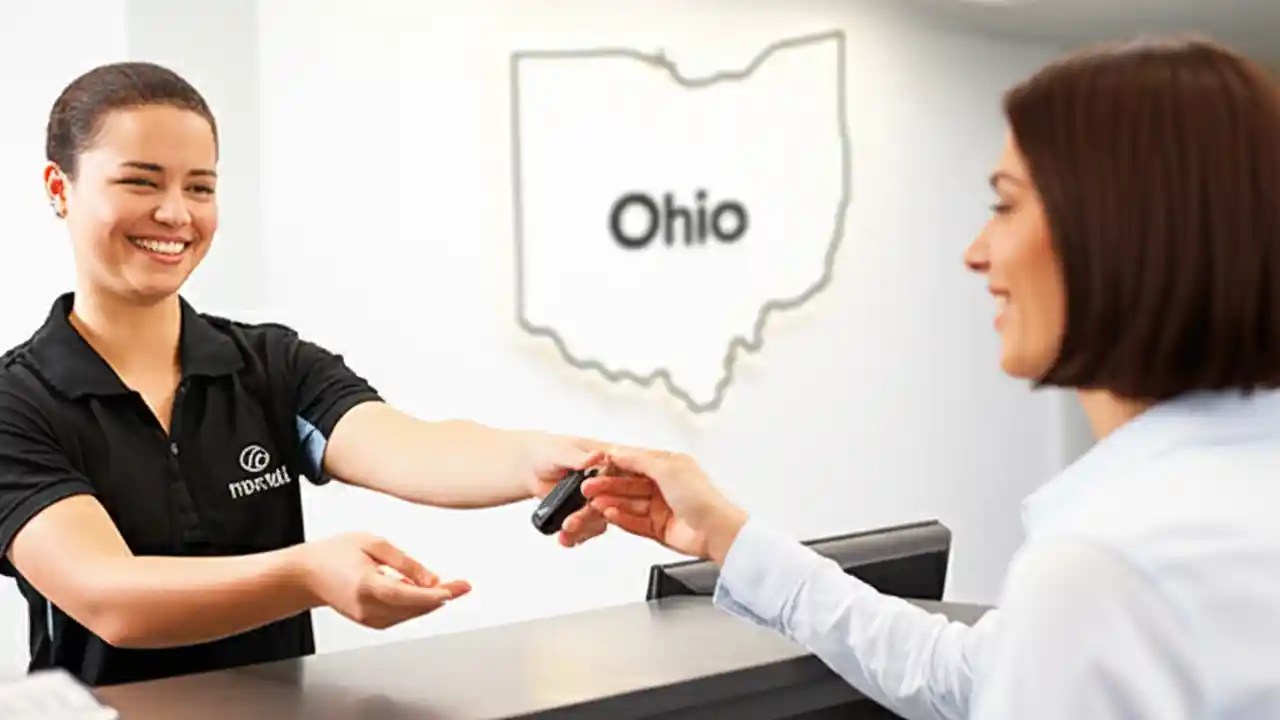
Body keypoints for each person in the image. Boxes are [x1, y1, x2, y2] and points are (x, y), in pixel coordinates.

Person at [583, 35, 1280, 719]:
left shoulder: (1109, 570)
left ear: (1116, 230)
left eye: (1005, 206)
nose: (978, 254)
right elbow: (967, 675)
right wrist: (727, 540)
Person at [0, 61, 615, 687]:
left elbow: (411, 446)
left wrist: (536, 461)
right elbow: (112, 599)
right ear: (59, 188)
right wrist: (307, 575)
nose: (175, 214)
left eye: (201, 188)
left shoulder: (269, 364)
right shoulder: (15, 403)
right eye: (140, 182)